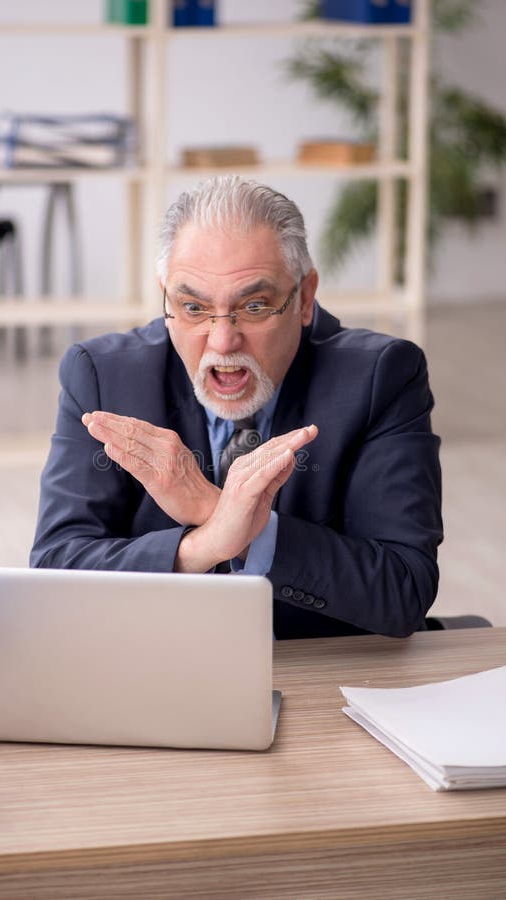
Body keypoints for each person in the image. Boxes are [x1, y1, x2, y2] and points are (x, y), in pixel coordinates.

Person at [30, 175, 442, 639]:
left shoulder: (382, 376)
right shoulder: (102, 376)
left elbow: (403, 590)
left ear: (305, 298)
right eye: (193, 308)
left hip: (320, 672)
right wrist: (203, 543)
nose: (222, 341)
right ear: (166, 294)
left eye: (254, 306)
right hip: (156, 665)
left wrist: (218, 510)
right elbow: (55, 571)